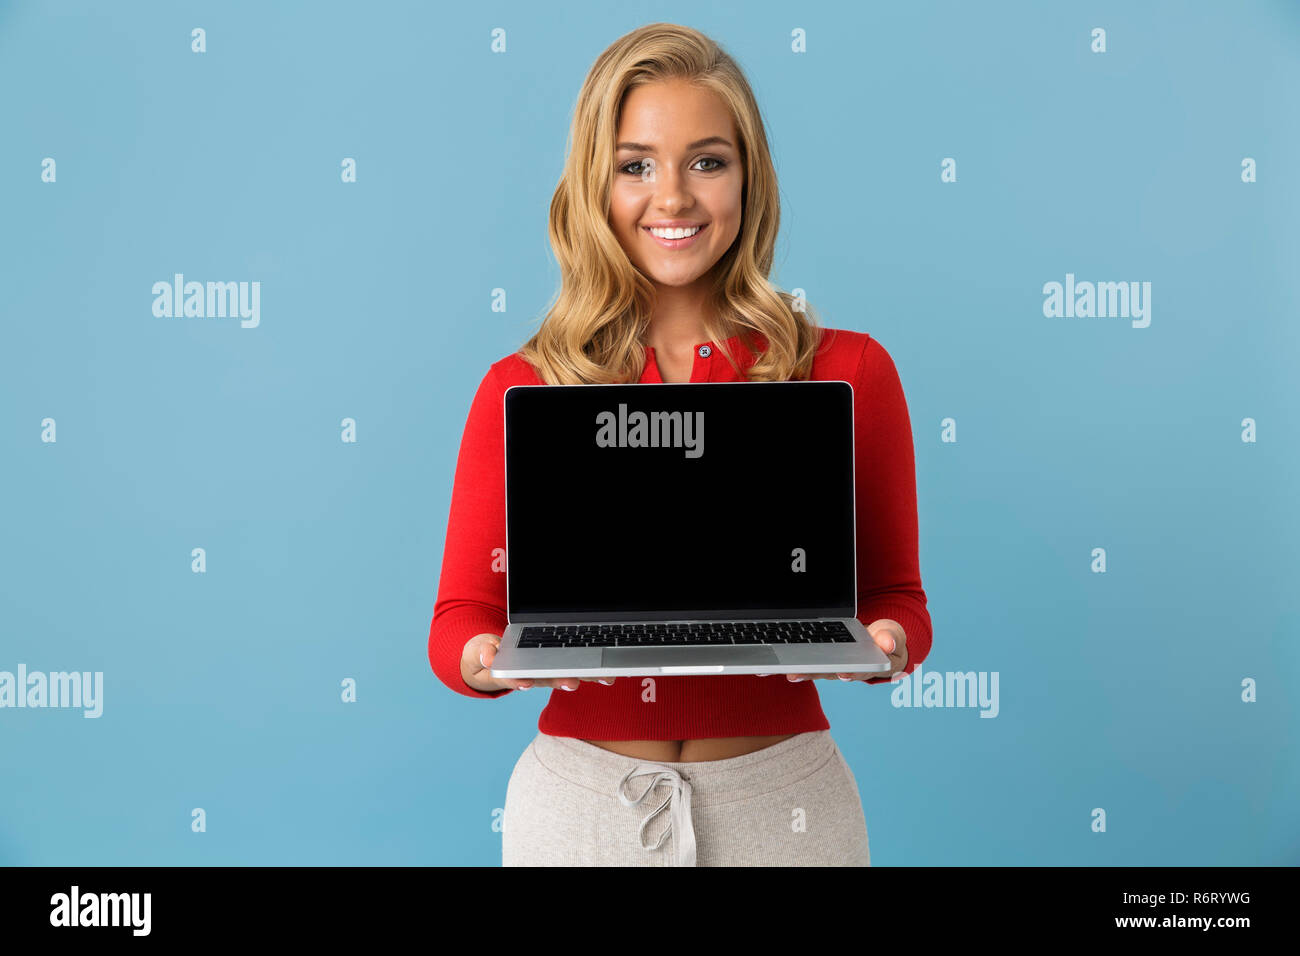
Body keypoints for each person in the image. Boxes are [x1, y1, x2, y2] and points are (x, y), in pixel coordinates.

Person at [428, 22, 931, 866]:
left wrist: (884, 646)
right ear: (597, 184)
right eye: (635, 165)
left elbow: (897, 599)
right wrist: (490, 660)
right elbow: (461, 622)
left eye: (707, 160)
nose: (673, 198)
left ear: (748, 178)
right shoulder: (523, 388)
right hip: (578, 809)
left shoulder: (847, 370)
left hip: (787, 804)